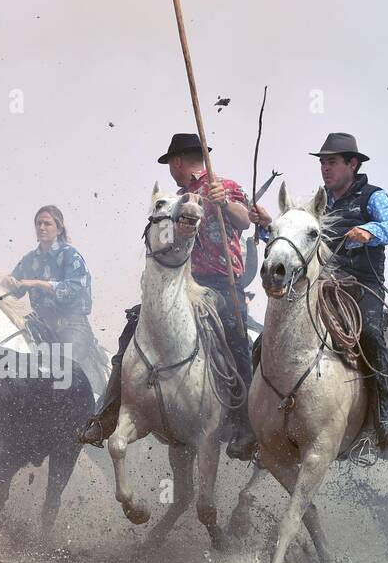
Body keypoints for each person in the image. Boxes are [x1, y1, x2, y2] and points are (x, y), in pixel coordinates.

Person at [78, 133, 256, 458]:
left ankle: (244, 426)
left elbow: (245, 221)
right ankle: (108, 412)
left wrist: (223, 204)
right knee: (133, 327)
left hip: (220, 283)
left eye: (171, 164)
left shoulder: (224, 185)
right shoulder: (174, 199)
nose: (172, 170)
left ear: (176, 162)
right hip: (179, 283)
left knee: (235, 339)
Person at [250, 131, 388, 448]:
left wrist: (369, 229)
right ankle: (253, 424)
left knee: (372, 337)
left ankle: (383, 419)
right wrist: (268, 226)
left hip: (363, 287)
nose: (325, 168)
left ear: (352, 164)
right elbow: (296, 247)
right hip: (320, 286)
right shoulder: (317, 203)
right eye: (323, 162)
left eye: (332, 162)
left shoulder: (373, 197)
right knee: (266, 340)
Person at [1, 205, 108, 393]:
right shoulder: (28, 259)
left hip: (71, 325)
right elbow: (14, 289)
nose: (42, 227)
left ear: (58, 229)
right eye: (38, 223)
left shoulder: (70, 255)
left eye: (47, 223)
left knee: (67, 372)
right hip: (40, 326)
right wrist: (7, 282)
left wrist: (35, 283)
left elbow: (71, 290)